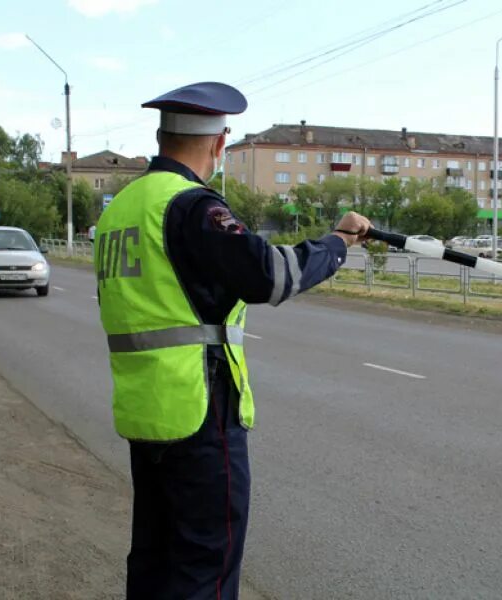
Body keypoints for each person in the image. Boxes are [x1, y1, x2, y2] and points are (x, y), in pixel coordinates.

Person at [94, 81, 371, 600]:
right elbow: (269, 275)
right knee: (205, 567)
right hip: (200, 410)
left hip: (145, 411)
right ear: (220, 144)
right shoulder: (191, 207)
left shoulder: (121, 211)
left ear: (161, 136)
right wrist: (336, 244)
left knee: (154, 561)